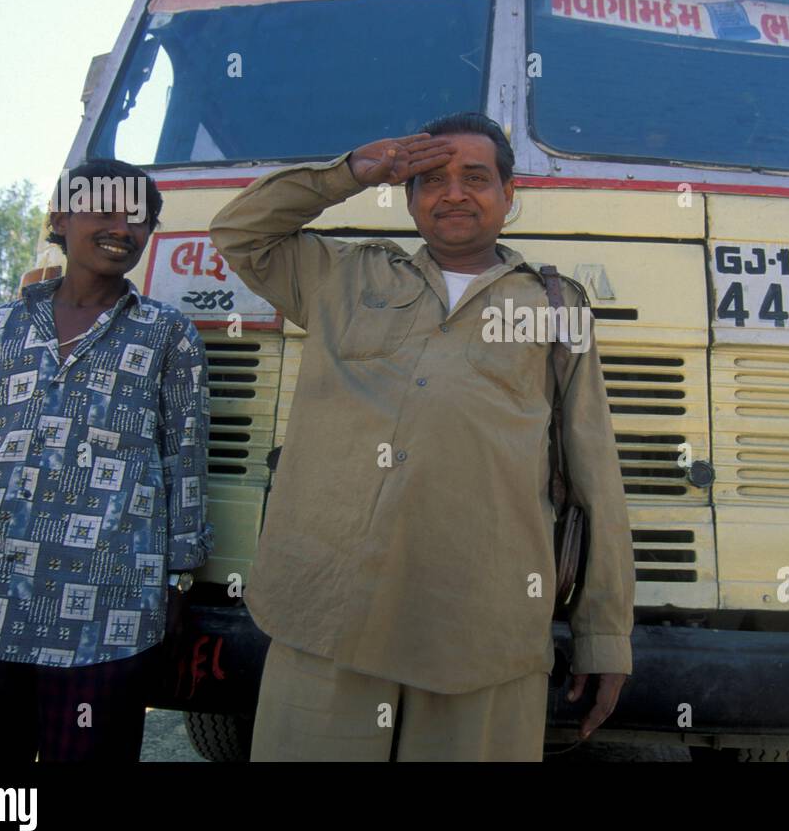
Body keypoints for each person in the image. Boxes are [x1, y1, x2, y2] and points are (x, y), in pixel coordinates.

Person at [209, 112, 635, 761]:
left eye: (476, 177)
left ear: (509, 194)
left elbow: (594, 475)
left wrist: (605, 636)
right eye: (432, 179)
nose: (454, 193)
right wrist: (351, 172)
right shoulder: (342, 277)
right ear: (408, 196)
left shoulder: (555, 306)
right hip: (329, 611)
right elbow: (239, 231)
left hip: (483, 631)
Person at [0, 159, 213, 762]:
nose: (123, 228)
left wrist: (180, 577)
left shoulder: (168, 336)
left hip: (108, 600)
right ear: (60, 219)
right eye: (105, 211)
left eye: (139, 219)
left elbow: (185, 461)